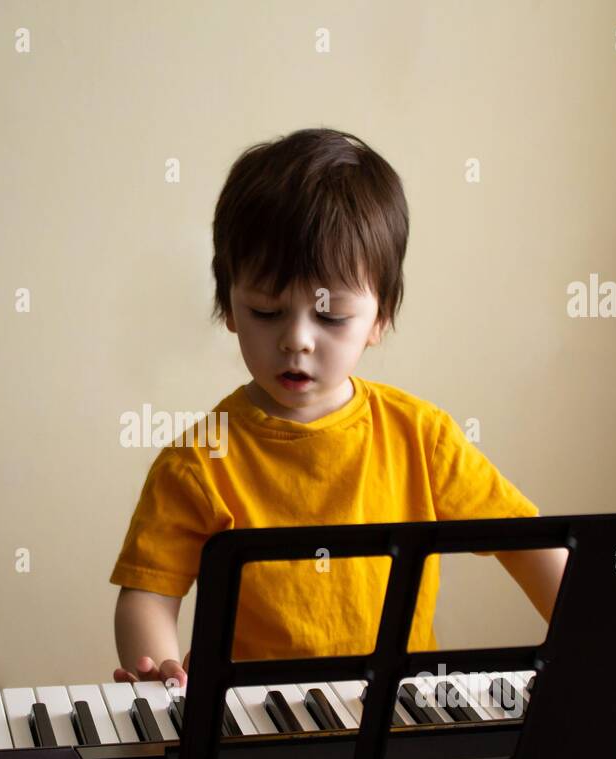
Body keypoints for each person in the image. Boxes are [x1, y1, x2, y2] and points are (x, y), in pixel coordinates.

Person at [110, 128, 567, 689]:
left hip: (396, 725)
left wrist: (594, 640)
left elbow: (531, 544)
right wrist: (161, 669)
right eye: (265, 311)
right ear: (228, 305)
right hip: (252, 732)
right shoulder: (199, 460)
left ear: (380, 318)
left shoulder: (421, 437)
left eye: (330, 318)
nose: (296, 339)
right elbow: (148, 595)